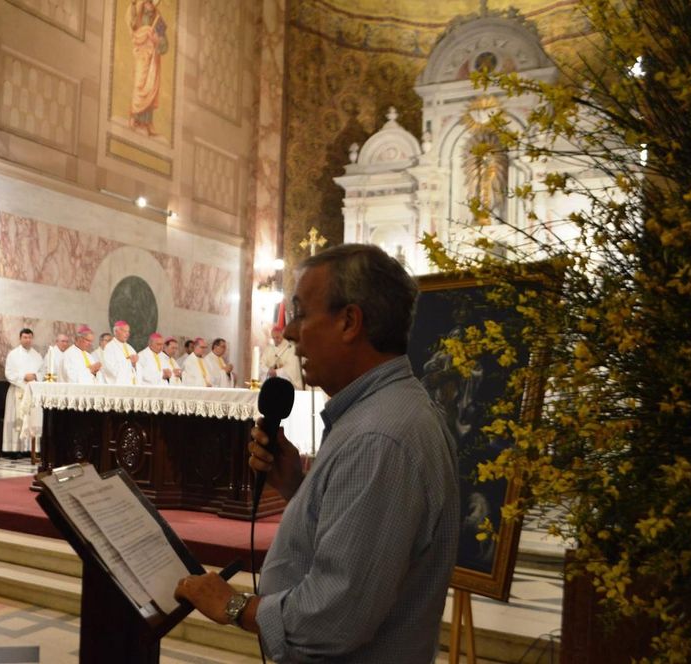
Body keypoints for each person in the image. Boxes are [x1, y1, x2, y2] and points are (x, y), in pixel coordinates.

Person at [175, 244, 460, 663]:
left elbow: (334, 618)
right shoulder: (385, 412)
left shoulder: (378, 437)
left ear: (349, 322)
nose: (290, 333)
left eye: (303, 314)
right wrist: (297, 485)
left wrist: (234, 606)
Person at [127, 0, 169, 136]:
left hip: (153, 58)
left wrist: (158, 40)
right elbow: (133, 28)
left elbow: (165, 44)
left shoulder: (158, 18)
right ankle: (134, 116)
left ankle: (147, 122)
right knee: (139, 84)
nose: (150, 4)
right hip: (141, 55)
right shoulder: (139, 12)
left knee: (151, 87)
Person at [3, 328, 43, 457]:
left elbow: (43, 371)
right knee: (17, 419)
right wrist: (23, 378)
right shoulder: (13, 354)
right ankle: (14, 449)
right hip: (17, 390)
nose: (27, 340)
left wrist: (36, 376)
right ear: (20, 339)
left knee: (31, 420)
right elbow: (9, 373)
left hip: (32, 392)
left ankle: (28, 449)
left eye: (30, 337)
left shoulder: (37, 355)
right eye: (25, 337)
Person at [261, 324, 303, 390]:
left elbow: (292, 367)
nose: (275, 340)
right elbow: (261, 364)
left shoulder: (290, 348)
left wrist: (277, 372)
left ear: (283, 335)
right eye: (273, 338)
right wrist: (268, 370)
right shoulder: (268, 349)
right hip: (271, 382)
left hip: (286, 385)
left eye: (277, 337)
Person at [102, 321, 138, 385]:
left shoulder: (130, 348)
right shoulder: (109, 348)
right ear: (116, 332)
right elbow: (110, 369)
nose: (127, 334)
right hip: (120, 385)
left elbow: (137, 368)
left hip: (132, 384)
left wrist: (135, 364)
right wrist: (129, 362)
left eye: (128, 331)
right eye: (124, 331)